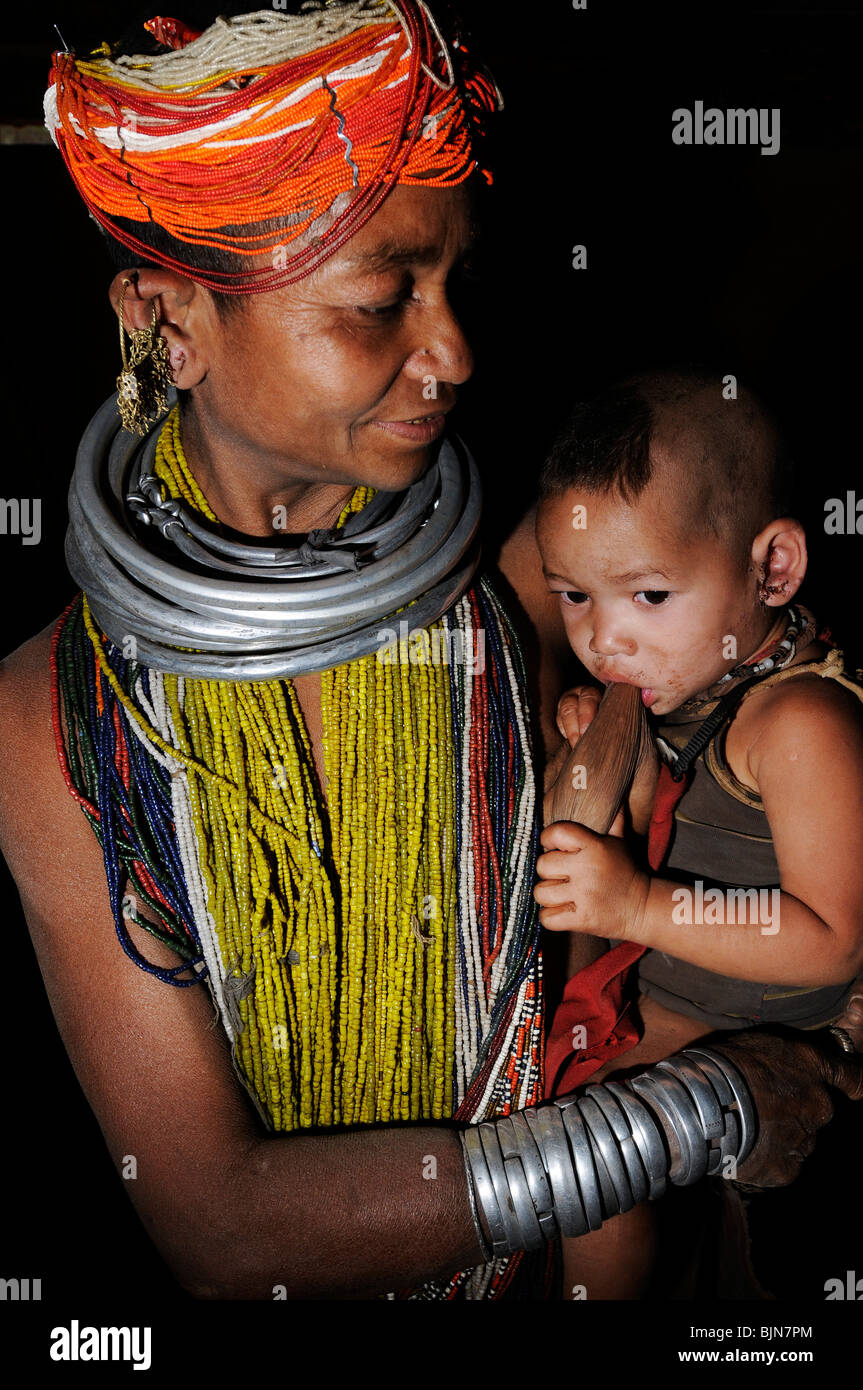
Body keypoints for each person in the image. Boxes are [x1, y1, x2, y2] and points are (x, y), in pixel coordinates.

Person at [0, 3, 859, 1302]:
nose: (451, 352)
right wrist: (690, 1112)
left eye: (454, 283)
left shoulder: (517, 577)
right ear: (167, 314)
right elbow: (224, 1230)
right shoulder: (59, 723)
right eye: (380, 299)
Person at [534, 367, 863, 1292]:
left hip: (767, 1036)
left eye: (646, 597)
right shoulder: (691, 684)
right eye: (574, 597)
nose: (605, 641)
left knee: (594, 1158)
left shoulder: (800, 725)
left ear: (772, 568)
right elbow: (671, 820)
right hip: (669, 1003)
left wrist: (635, 902)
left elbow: (834, 942)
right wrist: (616, 755)